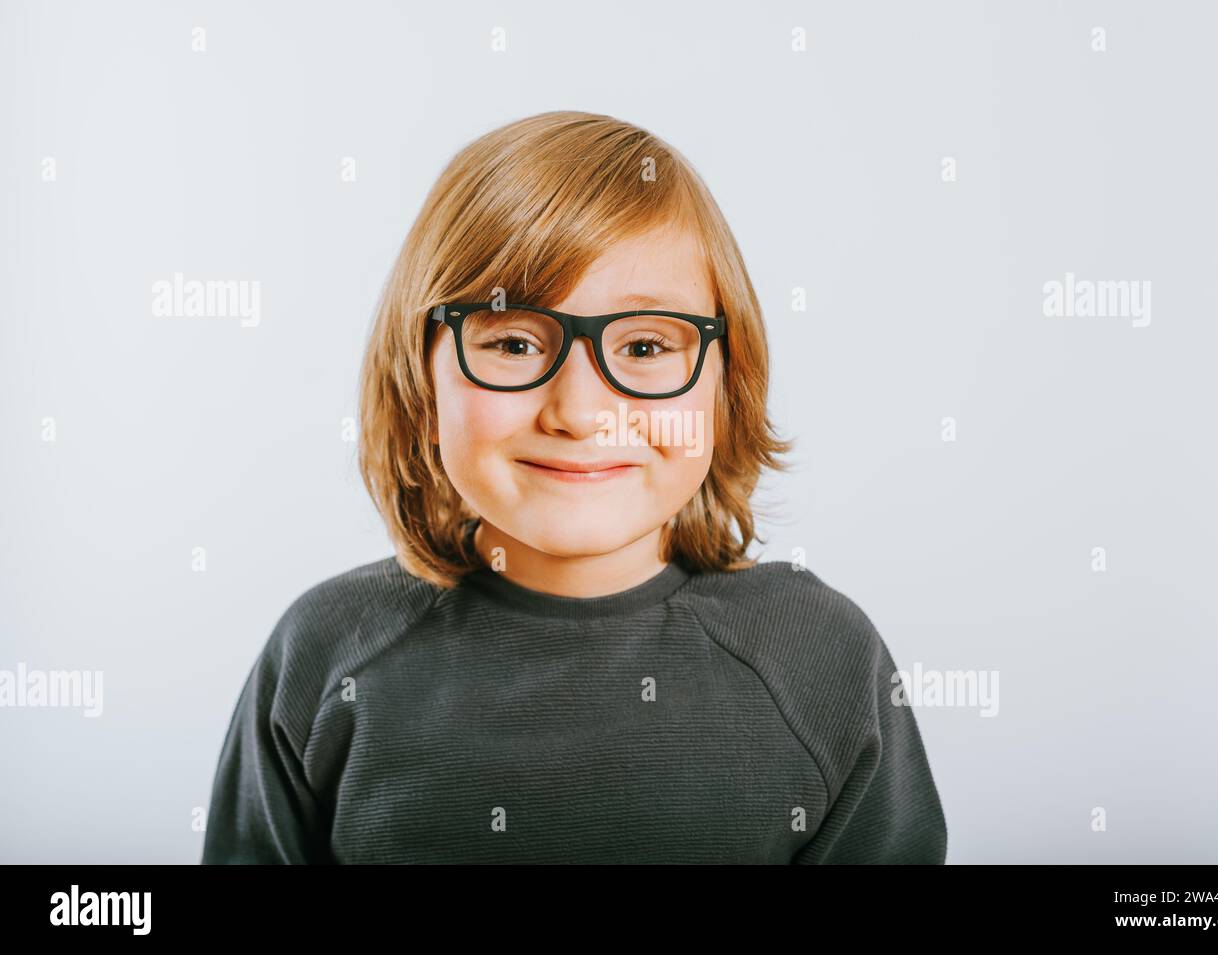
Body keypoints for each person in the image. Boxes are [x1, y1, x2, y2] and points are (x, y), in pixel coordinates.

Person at [200, 110, 947, 864]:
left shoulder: (821, 660)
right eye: (515, 342)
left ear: (726, 388)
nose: (581, 412)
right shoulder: (325, 656)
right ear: (421, 386)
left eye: (647, 345)